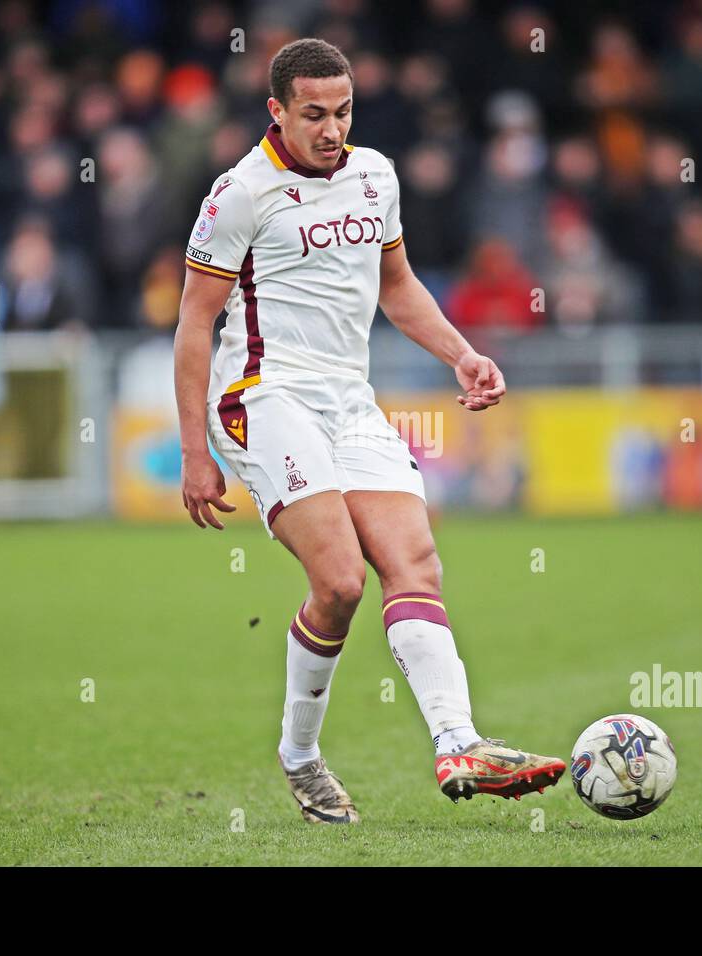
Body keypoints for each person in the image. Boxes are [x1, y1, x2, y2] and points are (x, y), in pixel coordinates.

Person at [173, 38, 565, 824]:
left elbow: (397, 285)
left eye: (343, 111)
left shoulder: (374, 175)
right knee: (343, 581)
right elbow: (194, 322)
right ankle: (302, 756)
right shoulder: (240, 193)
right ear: (277, 111)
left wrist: (462, 353)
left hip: (349, 401)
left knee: (415, 562)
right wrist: (197, 451)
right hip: (263, 395)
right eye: (313, 114)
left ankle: (459, 741)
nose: (330, 128)